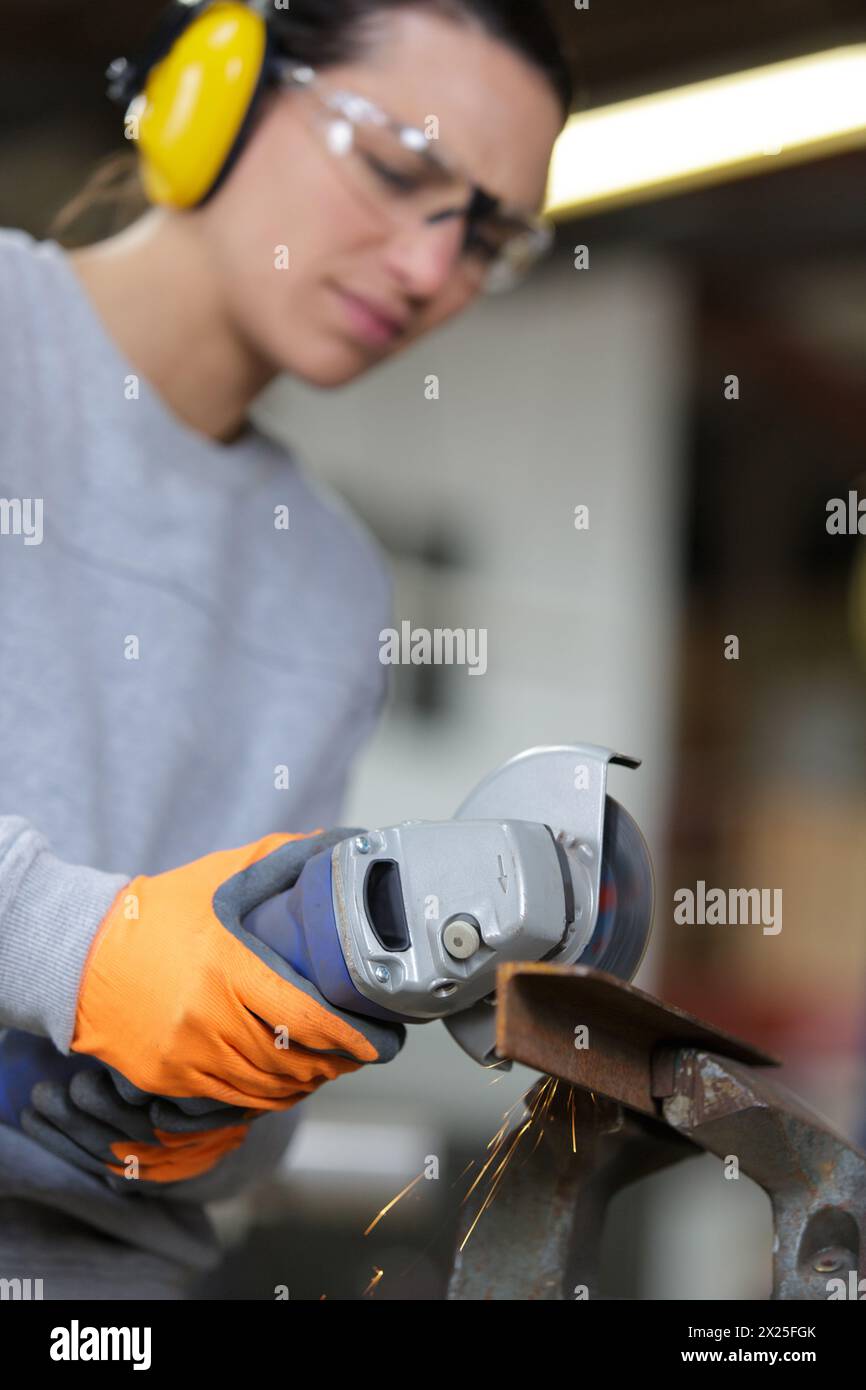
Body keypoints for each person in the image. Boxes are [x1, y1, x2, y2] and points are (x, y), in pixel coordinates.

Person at [0, 0, 572, 1299]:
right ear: (218, 90)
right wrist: (74, 947)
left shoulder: (330, 580)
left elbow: (252, 1128)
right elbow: (97, 955)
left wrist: (216, 1110)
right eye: (397, 169)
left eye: (485, 232)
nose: (433, 269)